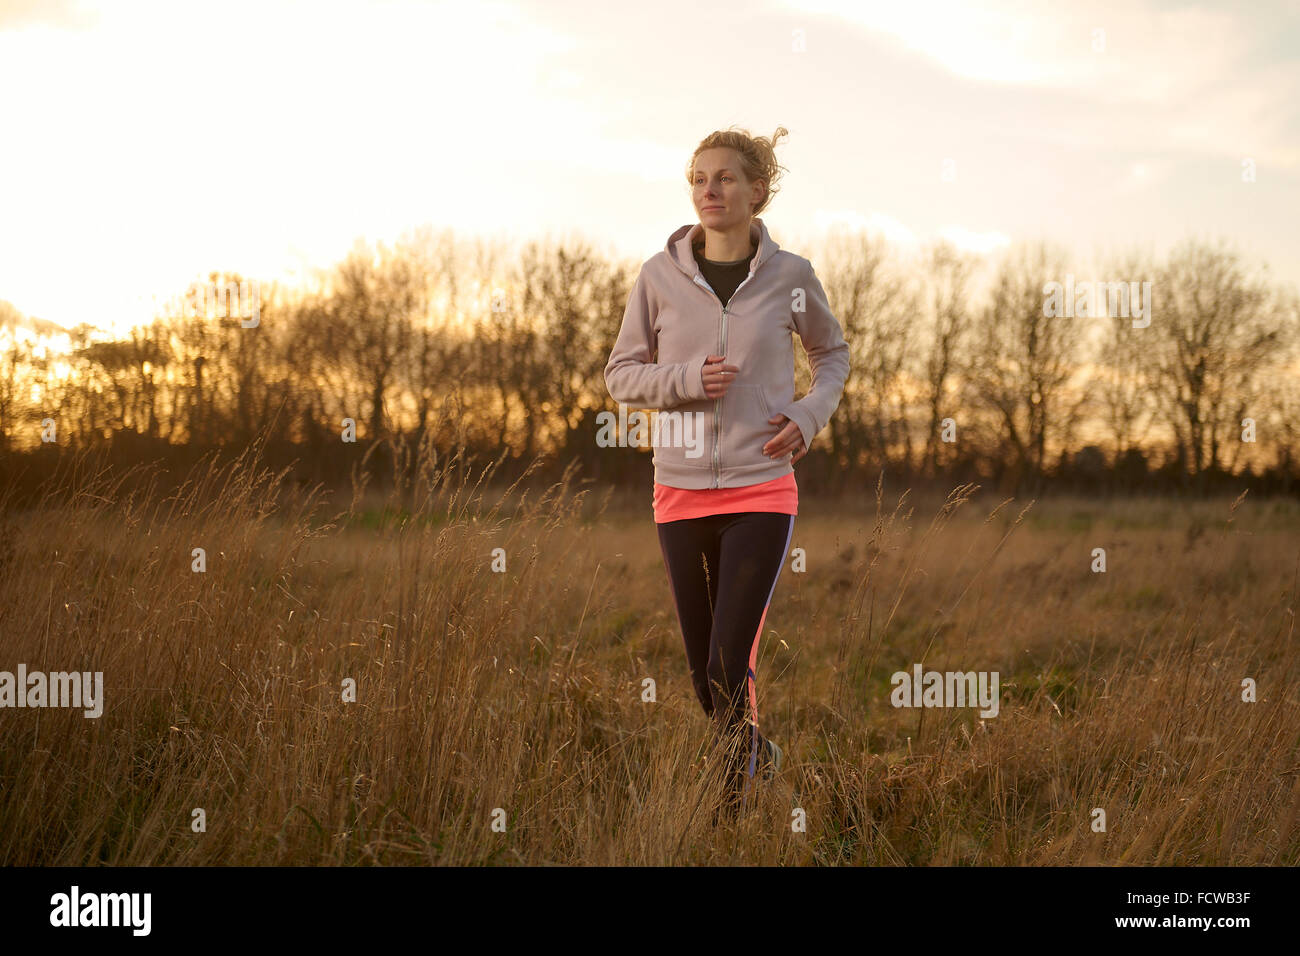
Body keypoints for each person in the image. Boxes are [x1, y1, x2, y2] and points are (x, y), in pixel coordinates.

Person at [603, 125, 851, 822]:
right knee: (704, 680)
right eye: (699, 179)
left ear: (757, 192)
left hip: (761, 487)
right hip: (678, 492)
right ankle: (756, 757)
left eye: (726, 178)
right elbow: (621, 373)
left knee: (725, 665)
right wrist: (684, 379)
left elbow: (833, 355)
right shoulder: (658, 277)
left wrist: (807, 416)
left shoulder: (790, 278)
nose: (710, 190)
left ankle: (726, 814)